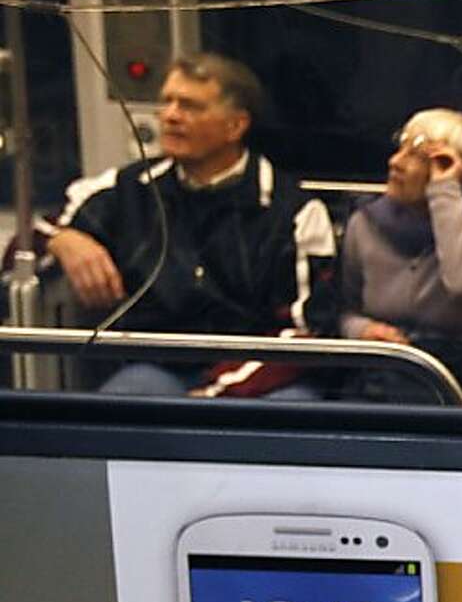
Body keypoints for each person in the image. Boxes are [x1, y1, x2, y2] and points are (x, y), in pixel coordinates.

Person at [42, 52, 337, 397]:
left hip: (262, 373)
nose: (170, 116)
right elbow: (34, 234)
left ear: (235, 126)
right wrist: (64, 240)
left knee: (289, 414)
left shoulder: (293, 212)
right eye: (167, 101)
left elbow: (308, 332)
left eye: (190, 106)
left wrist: (219, 391)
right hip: (158, 366)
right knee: (123, 403)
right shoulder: (131, 187)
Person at [340, 108, 462, 403]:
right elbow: (341, 309)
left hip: (460, 385)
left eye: (416, 156)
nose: (395, 162)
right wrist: (362, 330)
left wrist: (444, 192)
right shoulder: (364, 223)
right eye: (400, 148)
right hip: (376, 377)